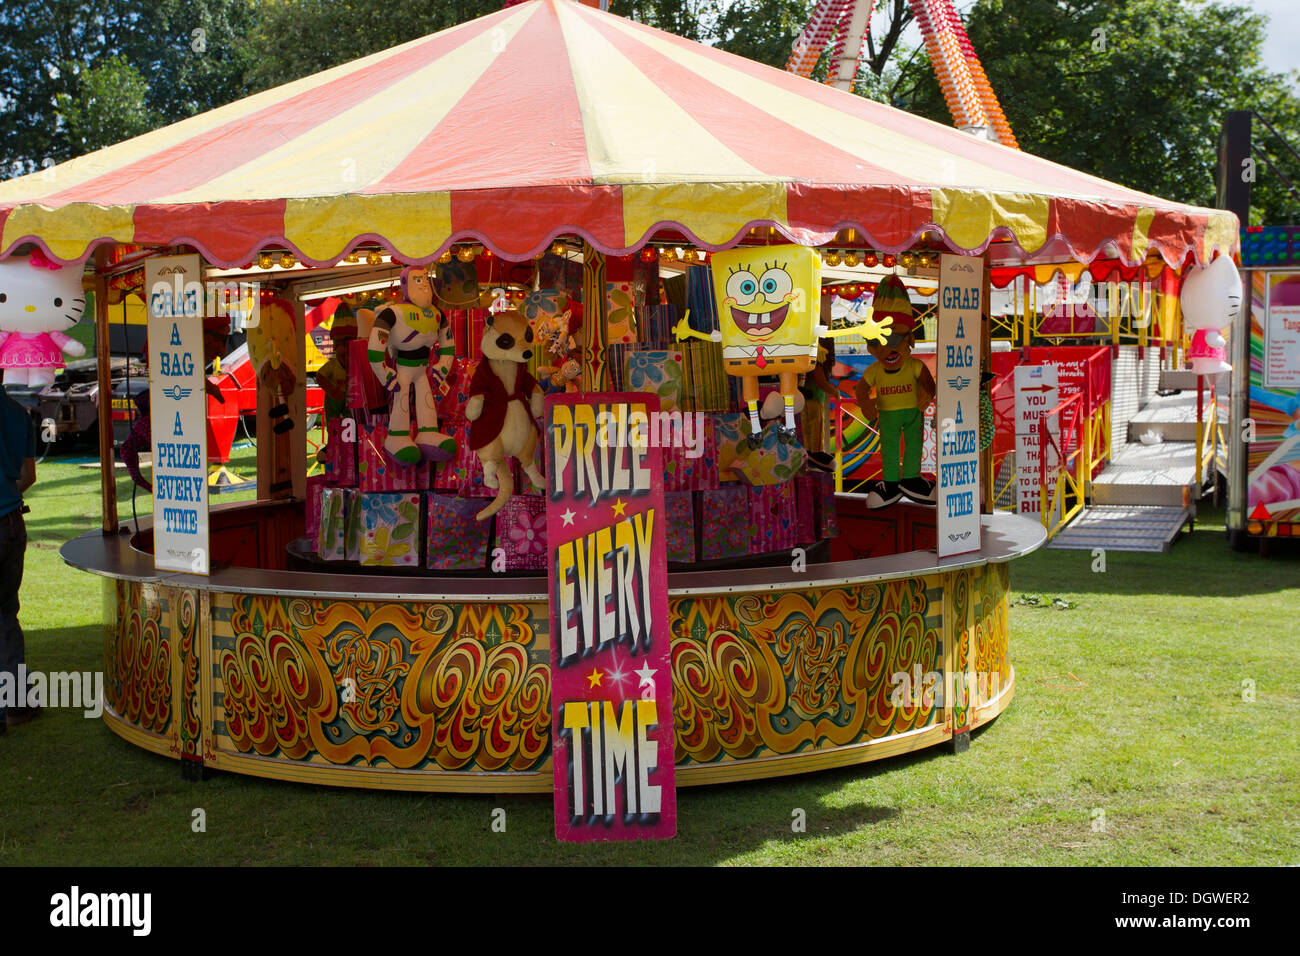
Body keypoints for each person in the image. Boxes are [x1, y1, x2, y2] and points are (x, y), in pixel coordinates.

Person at [0, 372, 38, 735]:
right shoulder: (18, 413)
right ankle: (15, 704)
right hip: (12, 522)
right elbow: (29, 476)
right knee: (6, 614)